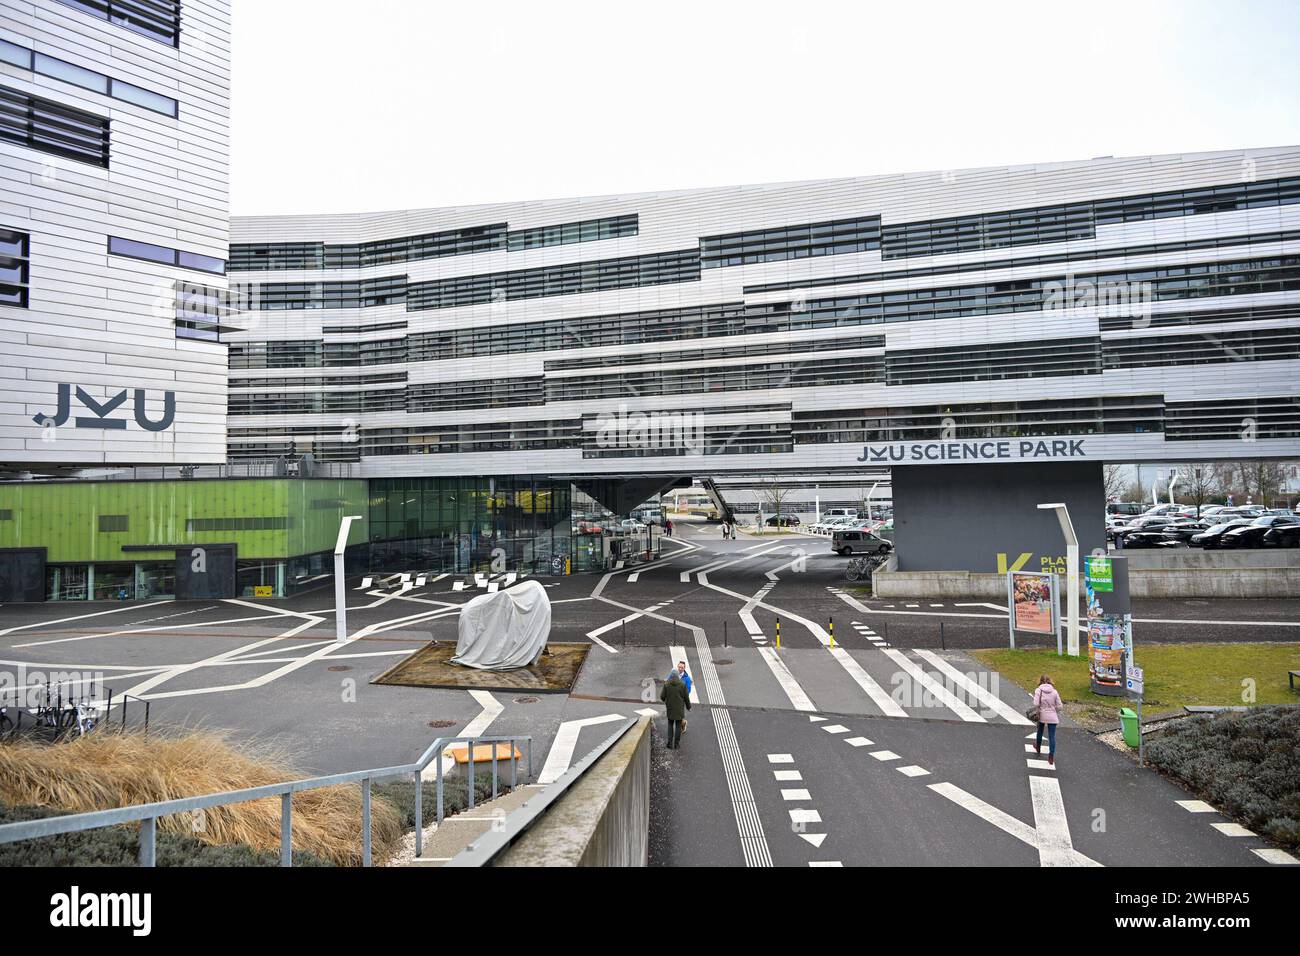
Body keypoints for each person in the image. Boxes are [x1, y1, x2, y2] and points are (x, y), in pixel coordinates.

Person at [1032, 674, 1063, 765]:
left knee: (1040, 731)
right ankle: (1051, 756)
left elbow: (1036, 703)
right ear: (1050, 681)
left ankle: (1038, 747)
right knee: (1051, 737)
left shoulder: (1039, 690)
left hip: (1041, 715)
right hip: (1052, 716)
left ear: (1040, 681)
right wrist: (1054, 711)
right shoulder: (1054, 692)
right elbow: (1060, 706)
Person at [660, 671, 691, 749]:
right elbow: (686, 698)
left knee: (670, 724)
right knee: (678, 725)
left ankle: (669, 743)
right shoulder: (682, 685)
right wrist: (688, 707)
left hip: (670, 707)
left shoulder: (667, 684)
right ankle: (676, 744)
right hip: (679, 708)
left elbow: (662, 696)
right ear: (677, 676)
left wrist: (666, 701)